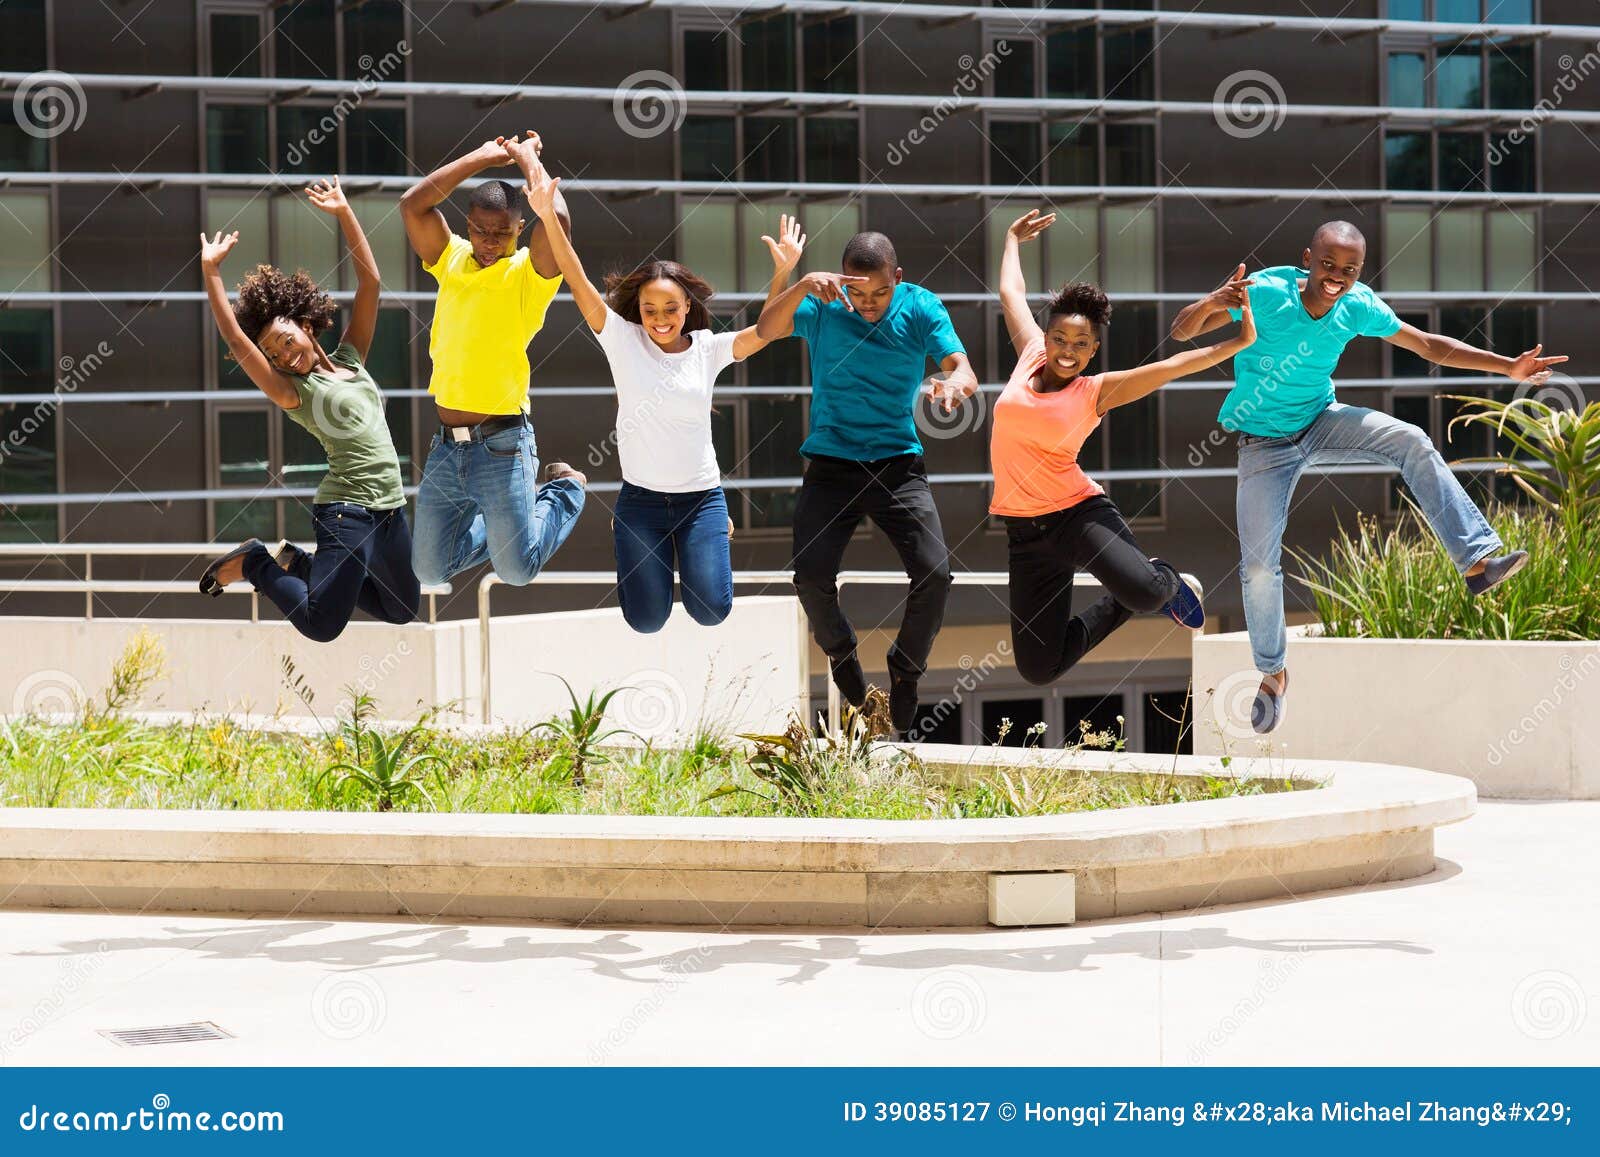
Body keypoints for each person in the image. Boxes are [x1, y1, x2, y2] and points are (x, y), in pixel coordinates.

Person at [1170, 220, 1567, 733]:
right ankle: (1273, 674)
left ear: (1360, 272)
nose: (1336, 278)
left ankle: (1475, 563)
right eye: (1328, 266)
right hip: (1263, 444)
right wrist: (1211, 302)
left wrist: (1506, 367)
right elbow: (1181, 331)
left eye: (1349, 270)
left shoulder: (1358, 303)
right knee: (1259, 569)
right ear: (1307, 258)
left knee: (1411, 439)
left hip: (1321, 420)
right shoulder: (1265, 291)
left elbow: (1426, 344)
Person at [520, 155, 803, 631]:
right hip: (641, 502)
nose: (660, 317)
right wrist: (547, 215)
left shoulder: (708, 350)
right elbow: (577, 279)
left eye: (670, 307)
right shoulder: (621, 338)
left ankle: (714, 532)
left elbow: (768, 332)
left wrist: (782, 274)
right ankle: (609, 519)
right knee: (645, 620)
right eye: (650, 309)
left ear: (686, 306)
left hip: (700, 500)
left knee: (711, 610)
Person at [992, 210, 1254, 686]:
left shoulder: (1095, 392)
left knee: (1148, 594)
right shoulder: (1030, 353)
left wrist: (1237, 341)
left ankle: (1157, 578)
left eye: (1081, 343)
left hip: (1077, 516)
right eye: (1059, 338)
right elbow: (1011, 293)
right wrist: (1011, 239)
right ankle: (1126, 592)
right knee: (1038, 668)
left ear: (1093, 351)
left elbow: (1172, 367)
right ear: (1047, 337)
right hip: (1025, 536)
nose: (1067, 350)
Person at [756, 228, 979, 736]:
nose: (868, 304)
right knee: (810, 578)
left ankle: (905, 671)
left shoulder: (920, 307)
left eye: (879, 293)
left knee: (936, 575)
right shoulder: (824, 303)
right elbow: (768, 327)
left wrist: (957, 384)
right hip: (830, 465)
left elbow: (961, 367)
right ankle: (841, 656)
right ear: (842, 282)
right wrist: (792, 278)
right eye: (857, 293)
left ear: (897, 279)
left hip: (897, 465)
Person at [196, 178, 419, 642]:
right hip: (348, 511)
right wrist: (212, 273)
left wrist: (344, 213)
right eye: (273, 354)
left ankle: (295, 562)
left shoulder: (351, 359)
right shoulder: (294, 393)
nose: (283, 355)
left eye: (285, 340)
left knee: (401, 609)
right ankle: (256, 561)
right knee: (321, 624)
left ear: (303, 323)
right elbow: (238, 343)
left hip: (391, 509)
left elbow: (371, 284)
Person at [399, 132, 586, 587]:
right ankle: (510, 528)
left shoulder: (527, 275)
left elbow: (557, 220)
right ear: (467, 225)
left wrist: (526, 160)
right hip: (447, 446)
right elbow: (412, 205)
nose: (488, 242)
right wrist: (481, 157)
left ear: (519, 230)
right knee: (427, 569)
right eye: (481, 230)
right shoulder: (451, 258)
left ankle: (564, 490)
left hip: (503, 445)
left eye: (502, 233)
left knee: (516, 571)